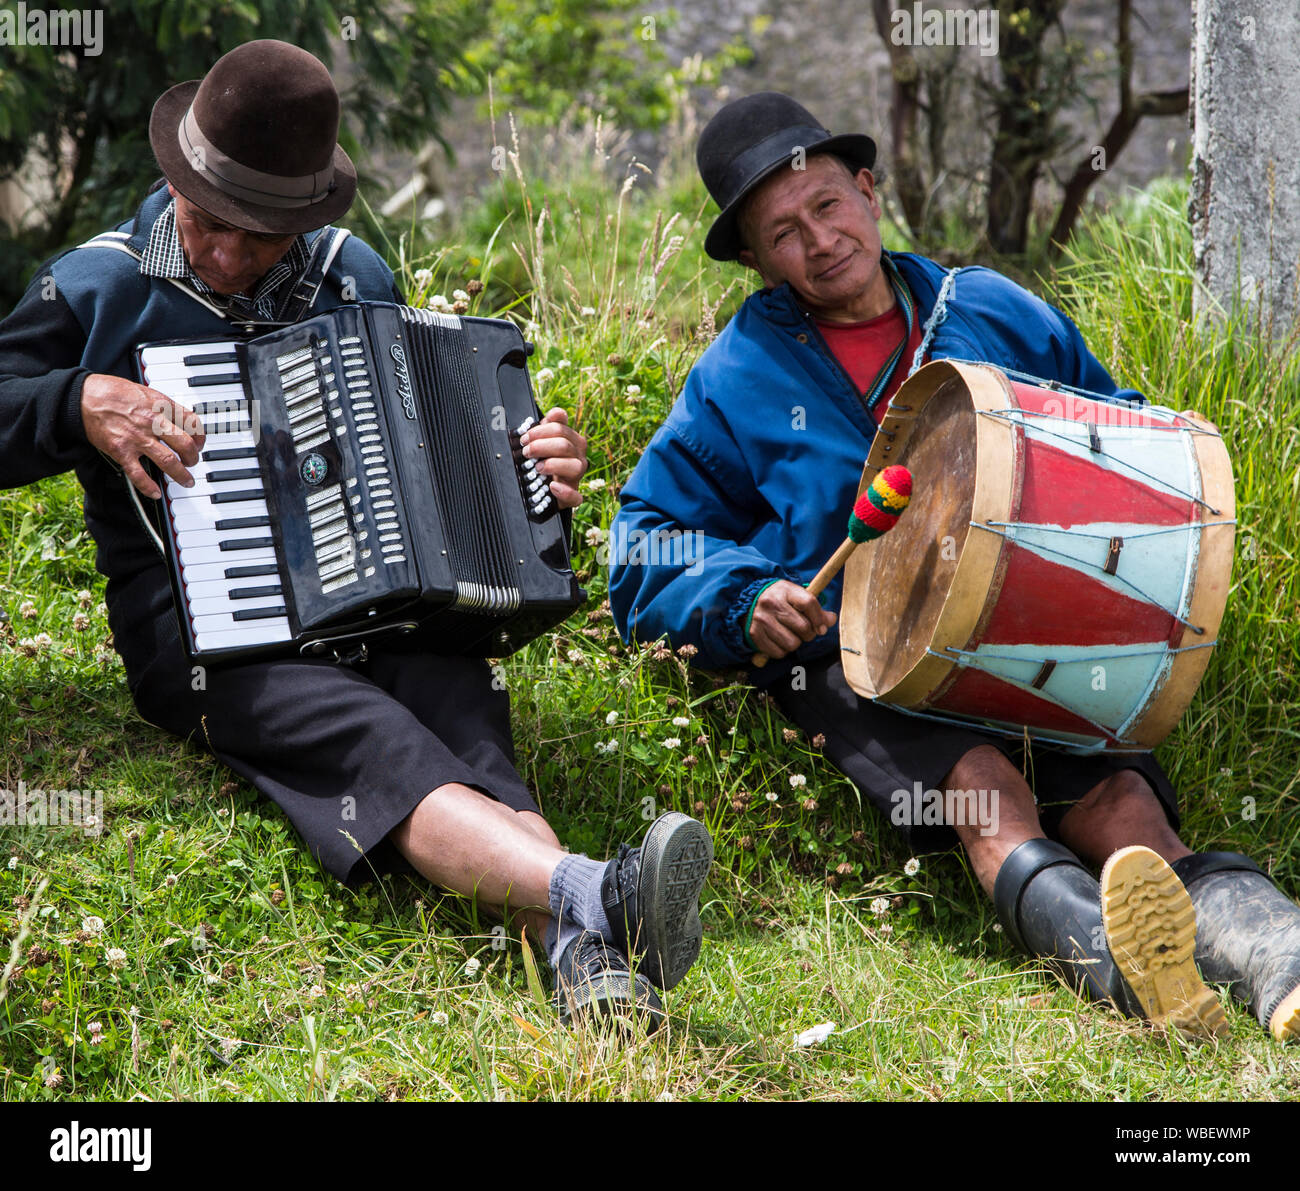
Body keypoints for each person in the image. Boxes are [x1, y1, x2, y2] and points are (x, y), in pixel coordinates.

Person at [0, 40, 713, 1030]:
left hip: (381, 603)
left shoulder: (352, 274)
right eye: (209, 226)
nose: (224, 258)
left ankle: (584, 952)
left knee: (467, 727)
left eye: (258, 239)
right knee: (377, 742)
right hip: (208, 633)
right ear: (174, 181)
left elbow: (433, 443)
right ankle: (600, 897)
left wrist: (524, 469)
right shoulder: (96, 288)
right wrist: (80, 400)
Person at [609, 91, 1300, 1041]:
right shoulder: (737, 377)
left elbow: (1116, 433)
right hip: (868, 665)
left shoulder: (984, 310)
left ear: (866, 186)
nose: (818, 240)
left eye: (827, 205)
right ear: (757, 263)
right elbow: (647, 534)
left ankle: (1280, 962)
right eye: (782, 233)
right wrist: (737, 597)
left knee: (1122, 799)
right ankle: (1136, 980)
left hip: (1036, 629)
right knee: (984, 789)